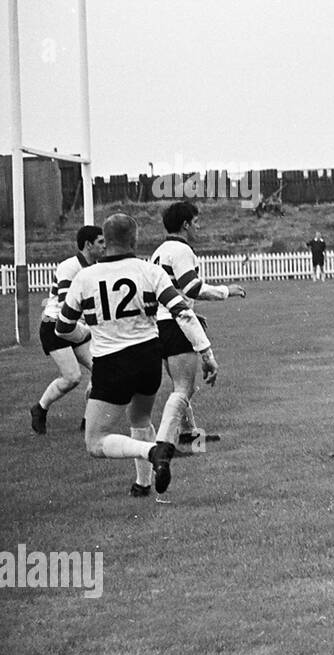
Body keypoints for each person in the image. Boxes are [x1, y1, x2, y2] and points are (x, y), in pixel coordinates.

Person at [56, 213, 218, 497]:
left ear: (105, 241)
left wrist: (88, 334)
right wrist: (206, 352)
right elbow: (182, 311)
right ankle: (142, 484)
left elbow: (62, 327)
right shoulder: (148, 271)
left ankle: (153, 451)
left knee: (94, 442)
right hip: (147, 359)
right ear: (135, 238)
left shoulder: (85, 277)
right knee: (140, 420)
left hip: (111, 362)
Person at [151, 201, 247, 450]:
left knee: (179, 384)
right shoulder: (181, 250)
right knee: (185, 387)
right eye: (196, 222)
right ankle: (166, 444)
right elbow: (191, 287)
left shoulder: (160, 250)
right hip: (176, 324)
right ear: (185, 225)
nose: (199, 227)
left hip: (161, 323)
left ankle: (188, 433)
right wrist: (227, 290)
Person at [30, 225, 105, 435]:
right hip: (56, 326)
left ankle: (88, 421)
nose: (105, 246)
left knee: (102, 369)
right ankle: (40, 408)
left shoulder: (97, 268)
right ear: (88, 245)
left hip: (76, 326)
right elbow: (65, 305)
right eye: (100, 242)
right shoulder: (69, 267)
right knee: (72, 377)